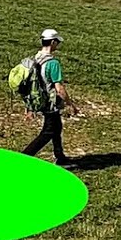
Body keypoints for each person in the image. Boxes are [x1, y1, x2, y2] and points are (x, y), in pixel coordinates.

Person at [21, 28, 78, 167]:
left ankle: (60, 157)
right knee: (48, 132)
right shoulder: (53, 63)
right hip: (50, 102)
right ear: (52, 42)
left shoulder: (35, 58)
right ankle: (23, 158)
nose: (58, 45)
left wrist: (29, 107)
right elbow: (59, 89)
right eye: (57, 42)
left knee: (57, 127)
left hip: (38, 99)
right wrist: (70, 104)